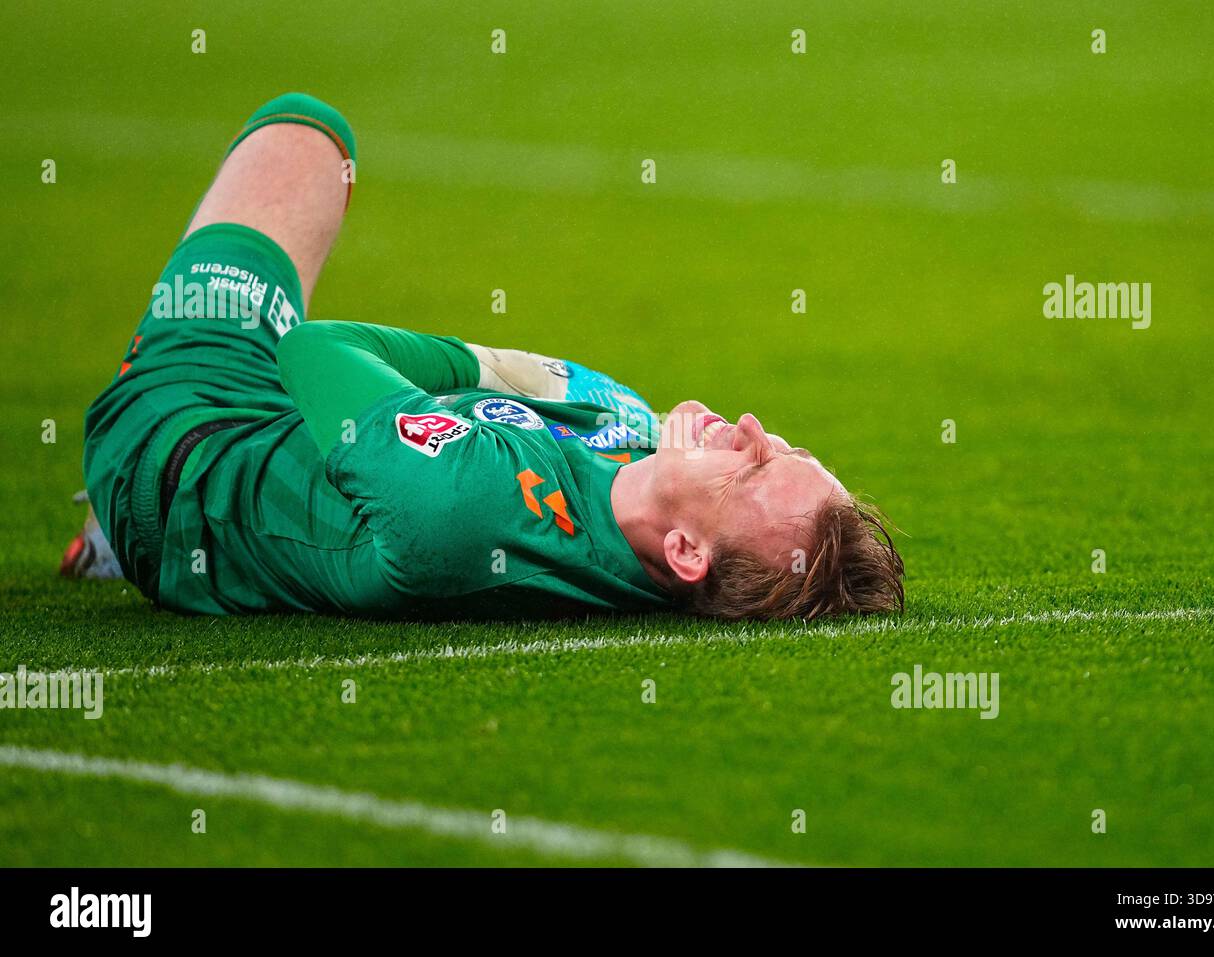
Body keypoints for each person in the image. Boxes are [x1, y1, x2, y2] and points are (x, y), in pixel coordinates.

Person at [66, 93, 904, 620]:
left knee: (306, 130)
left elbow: (319, 350)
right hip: (302, 431)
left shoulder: (468, 507)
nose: (754, 426)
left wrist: (469, 368)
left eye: (754, 469)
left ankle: (112, 527)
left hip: (185, 450)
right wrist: (668, 441)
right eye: (783, 445)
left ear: (687, 554)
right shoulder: (626, 443)